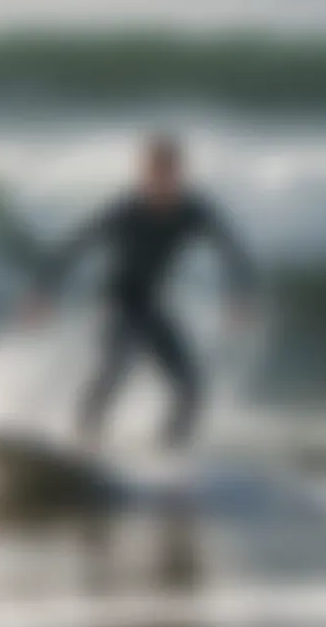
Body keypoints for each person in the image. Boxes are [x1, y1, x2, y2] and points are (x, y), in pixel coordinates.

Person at [27, 135, 255, 454]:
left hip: (151, 306)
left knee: (190, 388)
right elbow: (74, 245)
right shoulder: (126, 211)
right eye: (152, 173)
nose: (159, 180)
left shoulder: (193, 211)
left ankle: (167, 453)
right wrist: (43, 293)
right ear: (143, 174)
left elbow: (232, 250)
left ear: (178, 174)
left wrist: (238, 294)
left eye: (167, 172)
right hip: (116, 304)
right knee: (117, 365)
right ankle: (83, 439)